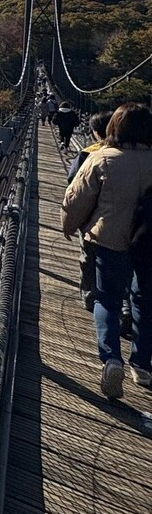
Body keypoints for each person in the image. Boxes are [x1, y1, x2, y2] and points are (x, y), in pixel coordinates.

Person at [62, 102, 152, 397]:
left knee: (108, 301)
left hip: (110, 241)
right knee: (145, 302)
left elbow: (76, 199)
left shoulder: (101, 158)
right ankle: (142, 365)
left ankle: (111, 358)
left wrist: (69, 225)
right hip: (149, 243)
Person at [68, 110, 113, 311]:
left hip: (92, 221)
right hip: (129, 223)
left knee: (89, 259)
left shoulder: (89, 153)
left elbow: (74, 186)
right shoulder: (138, 154)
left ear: (95, 131)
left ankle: (90, 296)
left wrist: (68, 222)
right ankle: (123, 305)